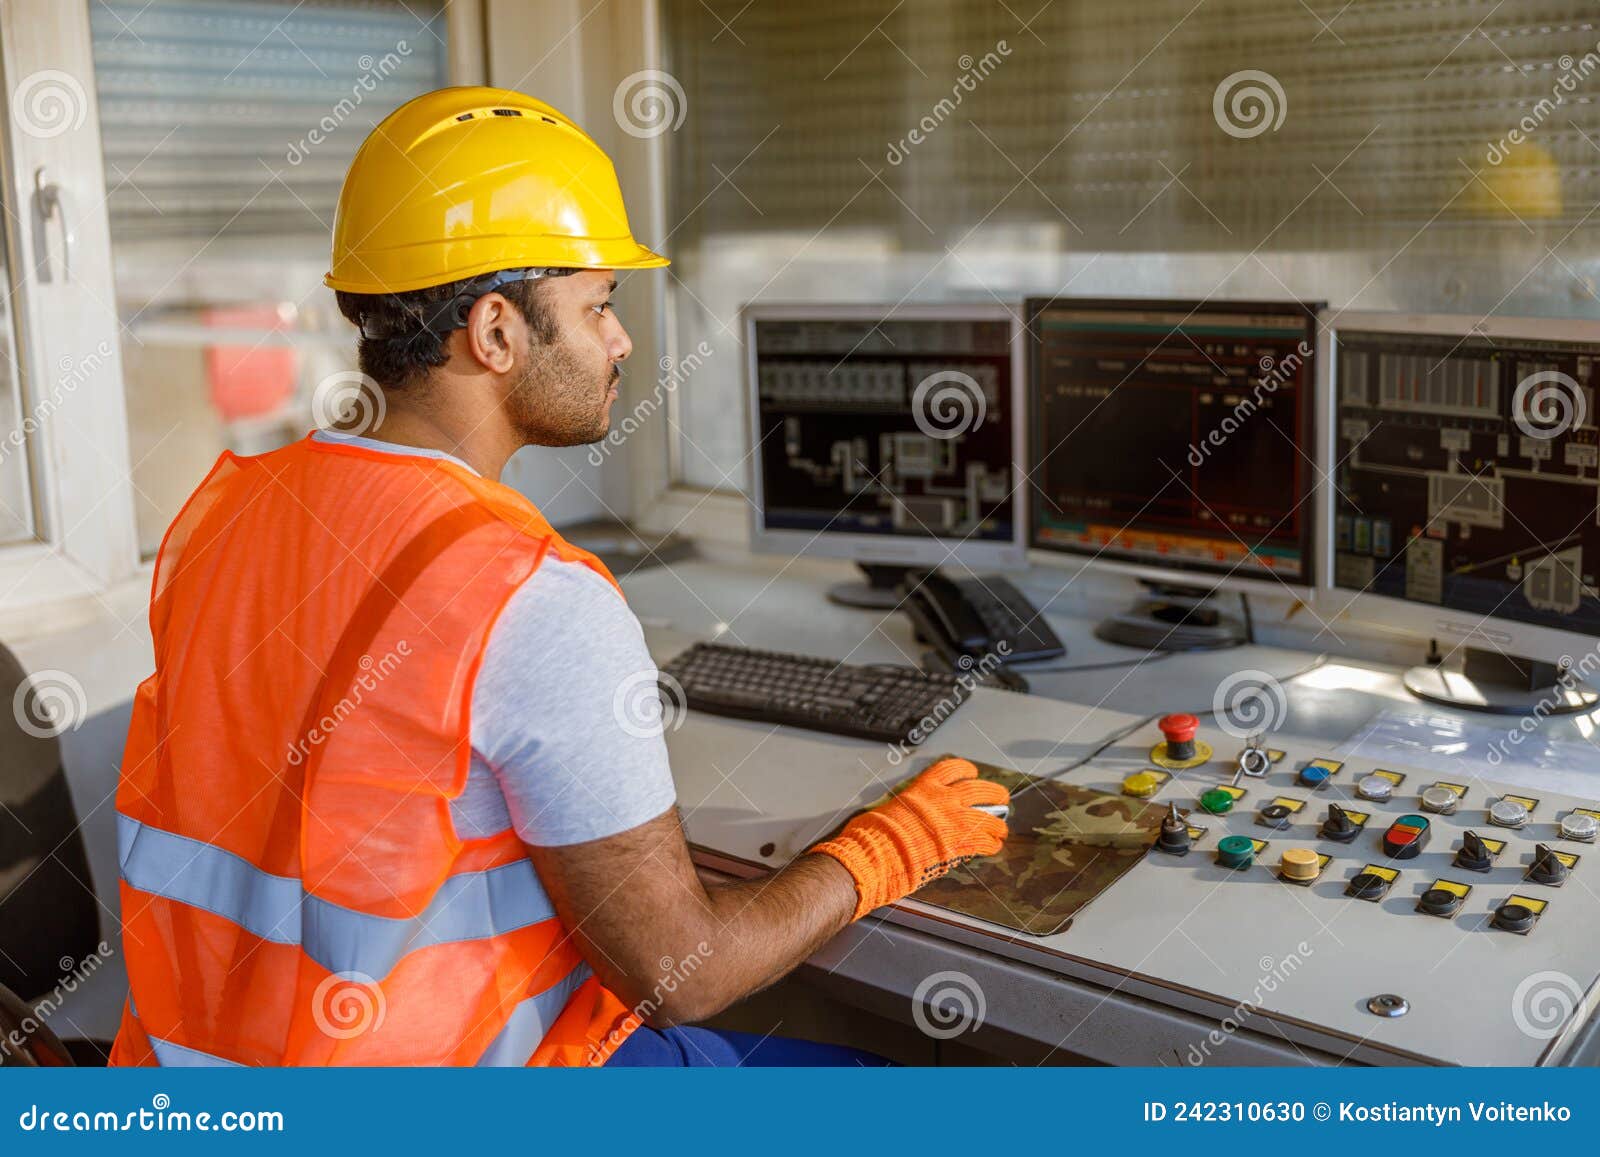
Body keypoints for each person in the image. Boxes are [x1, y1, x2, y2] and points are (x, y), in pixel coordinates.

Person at [108, 87, 1009, 1068]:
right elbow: (681, 973)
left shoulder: (232, 511)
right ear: (496, 331)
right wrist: (888, 846)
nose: (620, 342)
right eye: (599, 305)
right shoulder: (530, 590)